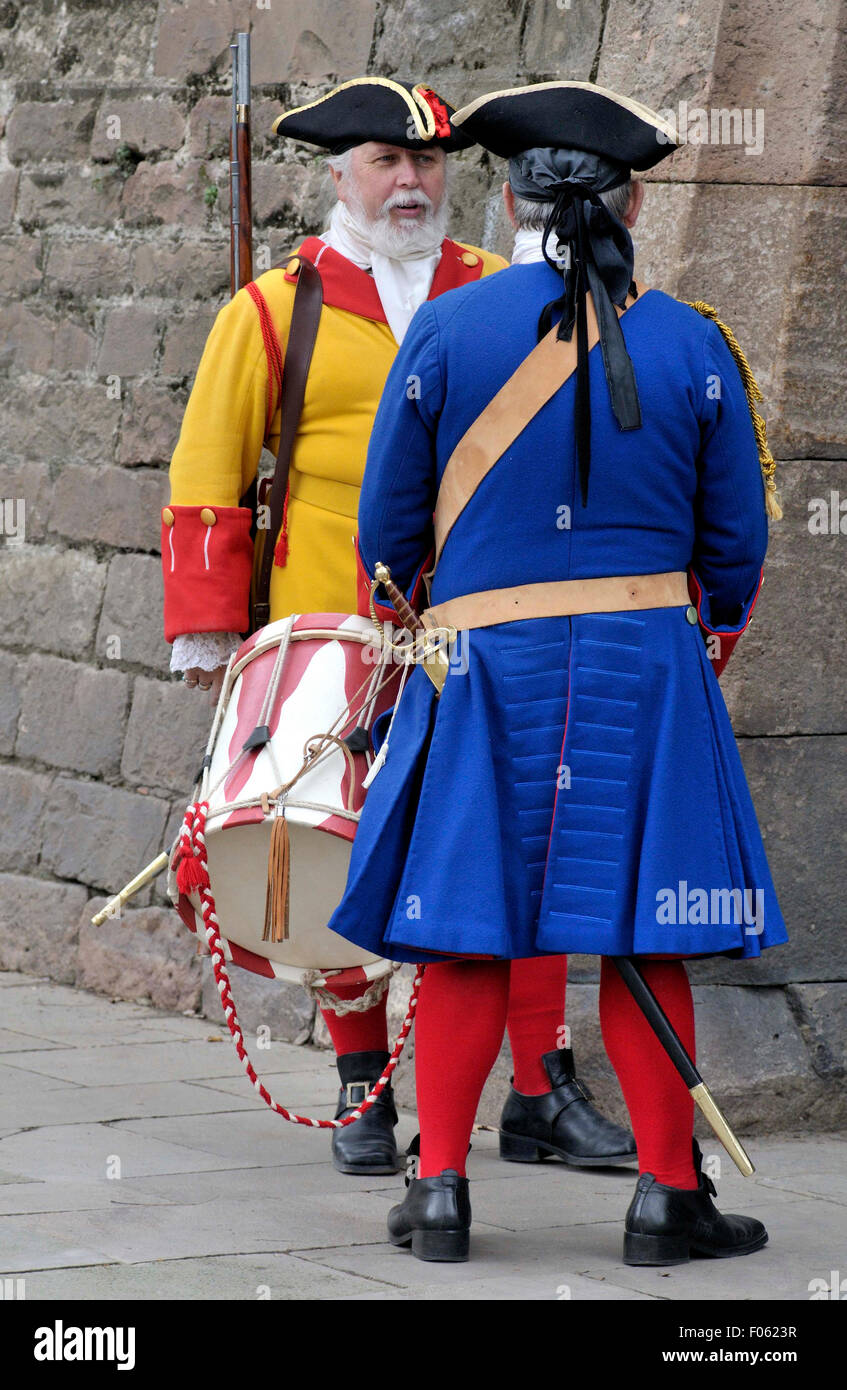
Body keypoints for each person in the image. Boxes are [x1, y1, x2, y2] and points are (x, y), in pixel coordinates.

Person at [325, 79, 788, 1264]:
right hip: (644, 671)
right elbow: (733, 544)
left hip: (478, 669)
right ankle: (662, 1198)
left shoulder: (445, 329)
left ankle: (437, 1194)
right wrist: (702, 641)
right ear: (631, 196)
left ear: (507, 192)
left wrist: (430, 618)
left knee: (471, 932)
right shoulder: (690, 341)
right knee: (648, 936)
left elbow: (384, 536)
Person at [161, 76, 635, 1178]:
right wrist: (210, 632)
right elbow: (207, 476)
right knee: (335, 845)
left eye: (427, 162)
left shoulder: (499, 287)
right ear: (339, 177)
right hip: (332, 621)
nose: (411, 180)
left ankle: (536, 1087)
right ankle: (358, 1077)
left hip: (480, 620)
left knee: (517, 852)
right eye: (386, 160)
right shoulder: (274, 307)